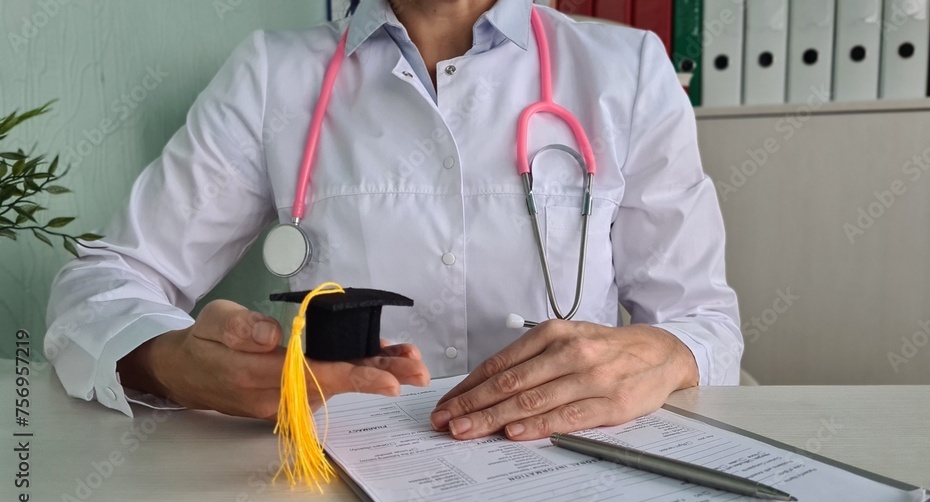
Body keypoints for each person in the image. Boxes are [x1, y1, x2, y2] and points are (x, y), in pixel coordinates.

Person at [45, 0, 742, 442]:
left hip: (571, 480)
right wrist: (175, 364)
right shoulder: (273, 77)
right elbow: (99, 285)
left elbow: (706, 323)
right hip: (342, 488)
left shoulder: (627, 73)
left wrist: (666, 354)